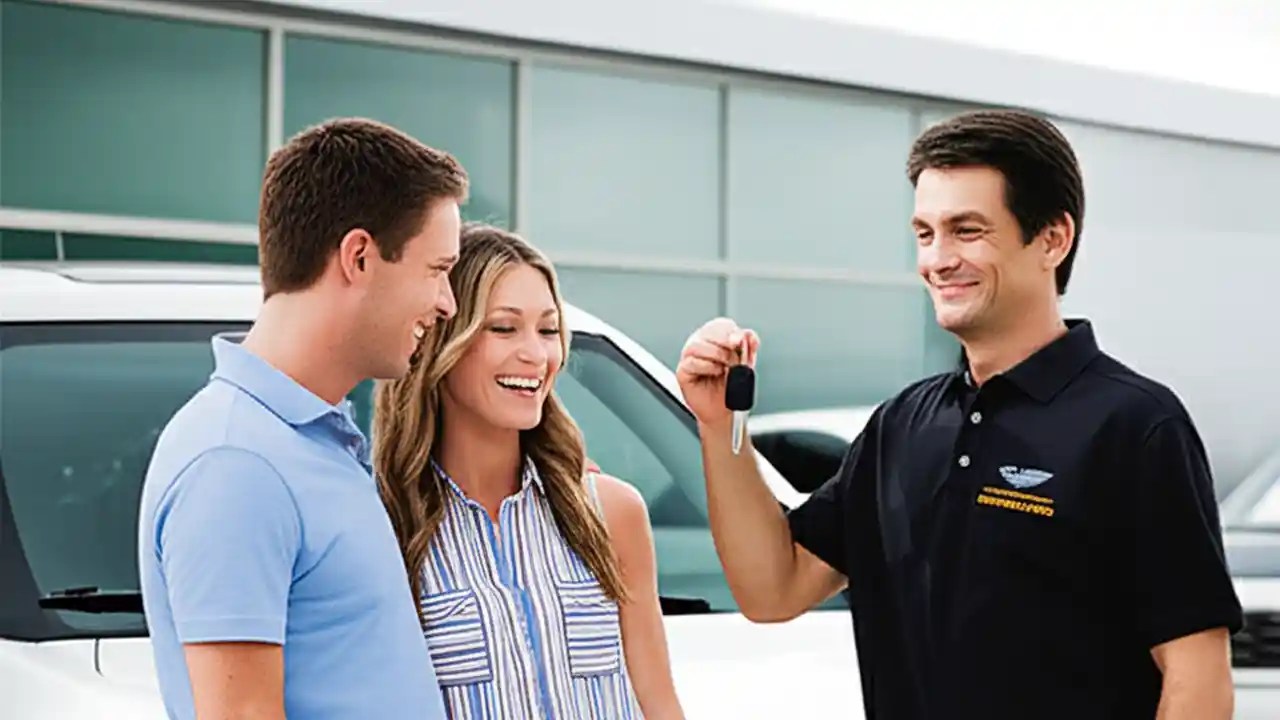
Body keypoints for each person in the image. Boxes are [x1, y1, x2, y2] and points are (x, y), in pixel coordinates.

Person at [675, 109, 1243, 719]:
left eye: (967, 231)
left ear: (1053, 239)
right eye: (925, 234)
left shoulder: (1136, 426)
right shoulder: (900, 426)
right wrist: (720, 425)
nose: (938, 259)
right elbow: (774, 588)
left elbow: (1198, 681)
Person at [137, 117, 467, 720]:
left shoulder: (311, 441)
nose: (446, 303)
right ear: (359, 257)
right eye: (437, 270)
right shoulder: (237, 464)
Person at [372, 222, 685, 720]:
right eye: (503, 328)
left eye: (548, 330)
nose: (536, 355)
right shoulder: (384, 529)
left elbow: (660, 706)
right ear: (441, 341)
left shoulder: (611, 513)